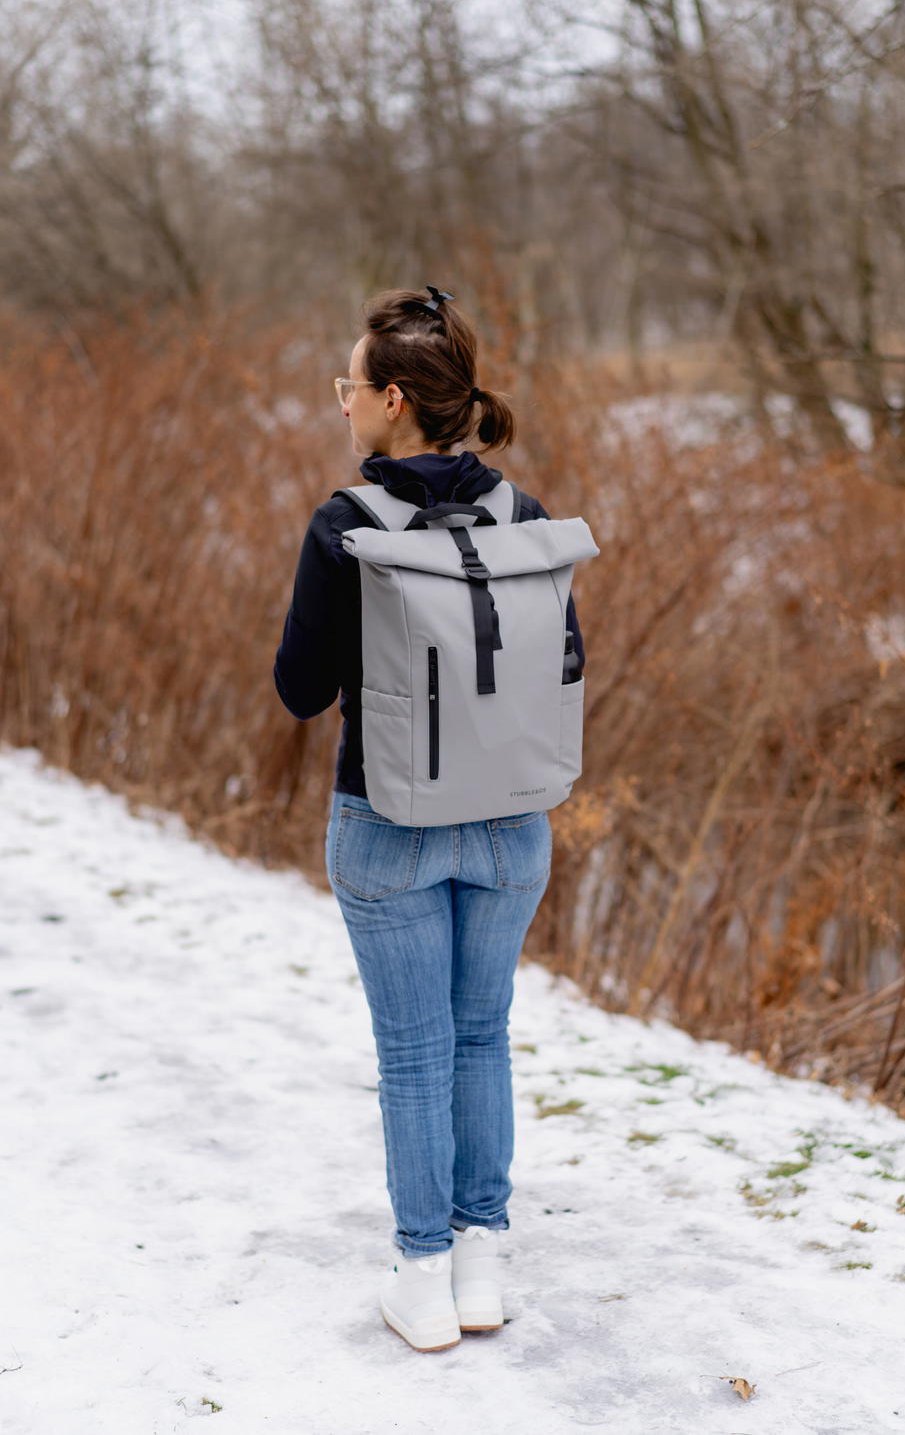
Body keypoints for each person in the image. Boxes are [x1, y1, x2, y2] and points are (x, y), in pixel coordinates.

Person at [272, 285, 586, 1353]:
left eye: (347, 387)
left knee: (413, 1054)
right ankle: (482, 1263)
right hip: (512, 824)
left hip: (390, 820)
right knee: (480, 1035)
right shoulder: (526, 519)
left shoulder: (344, 525)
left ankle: (421, 1273)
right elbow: (565, 664)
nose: (341, 404)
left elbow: (299, 691)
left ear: (393, 400)